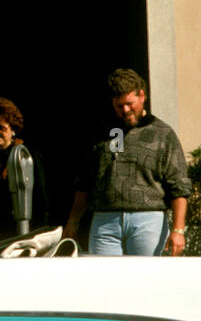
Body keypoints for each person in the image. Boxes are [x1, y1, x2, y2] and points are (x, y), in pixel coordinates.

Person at [62, 68, 189, 256]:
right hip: (105, 222)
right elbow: (85, 182)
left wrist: (178, 231)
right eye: (119, 105)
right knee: (106, 281)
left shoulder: (163, 134)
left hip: (148, 222)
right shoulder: (104, 133)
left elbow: (180, 186)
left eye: (130, 104)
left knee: (145, 280)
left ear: (142, 96)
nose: (125, 110)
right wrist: (72, 223)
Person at [0, 95, 49, 246]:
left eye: (0, 128)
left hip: (23, 230)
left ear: (13, 128)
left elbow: (41, 196)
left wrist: (38, 234)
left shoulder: (25, 154)